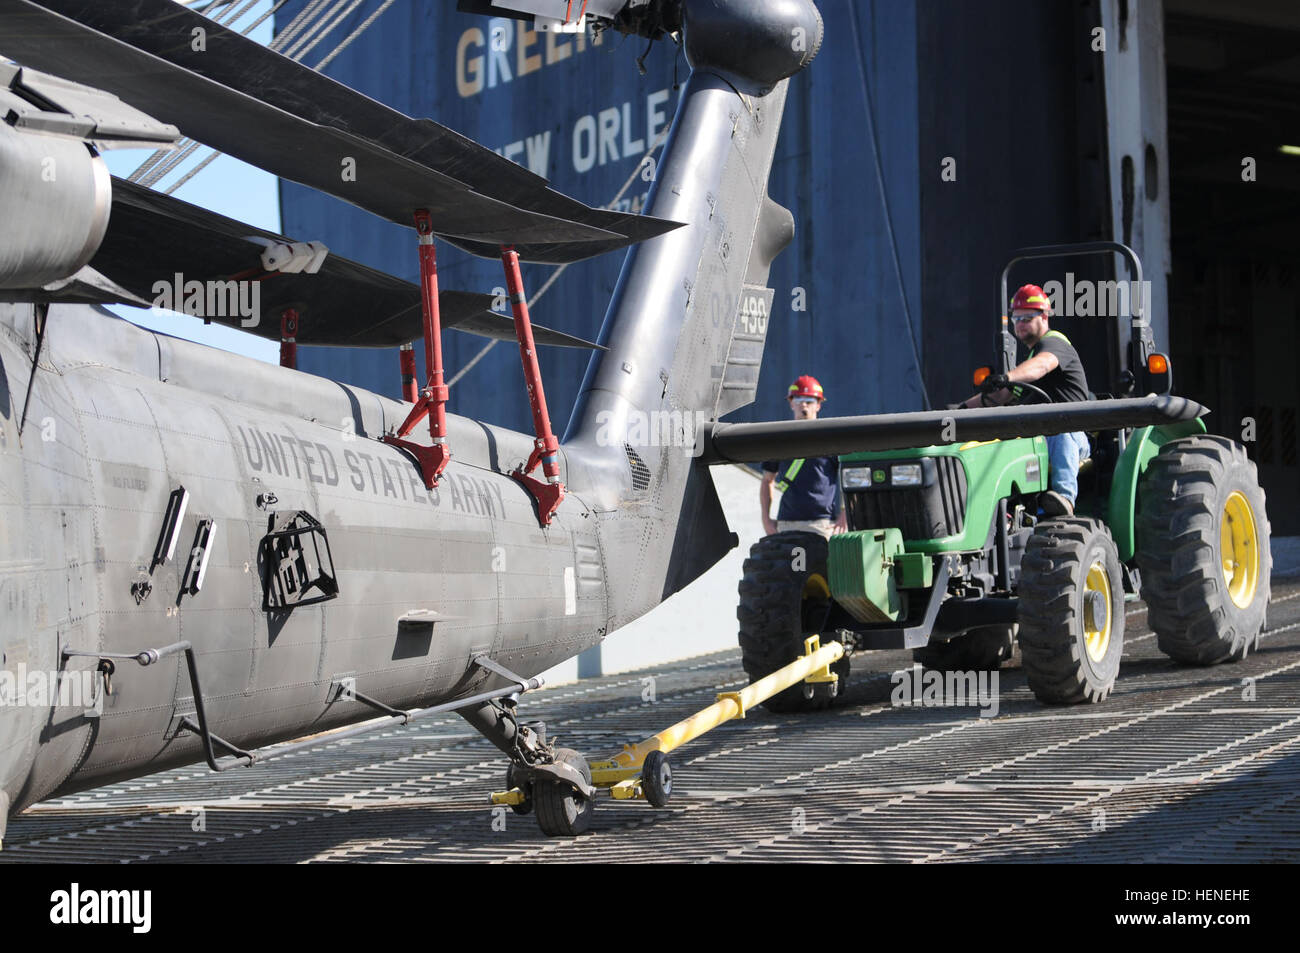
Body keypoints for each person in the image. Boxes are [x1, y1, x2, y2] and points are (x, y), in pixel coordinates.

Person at [960, 284, 1091, 516]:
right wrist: (961, 410)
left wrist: (1007, 376)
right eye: (1016, 319)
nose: (1019, 324)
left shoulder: (1055, 343)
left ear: (1044, 316)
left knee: (1061, 428)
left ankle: (1065, 499)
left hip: (1073, 434)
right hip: (1039, 436)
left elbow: (1042, 365)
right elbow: (1002, 395)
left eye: (1027, 318)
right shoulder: (1030, 358)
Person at [759, 375, 848, 538]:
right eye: (799, 399)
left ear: (819, 405)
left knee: (825, 564)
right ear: (791, 402)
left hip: (824, 525)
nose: (804, 404)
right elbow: (767, 480)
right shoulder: (779, 440)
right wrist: (765, 519)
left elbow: (848, 477)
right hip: (786, 524)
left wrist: (845, 515)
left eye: (810, 400)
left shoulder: (831, 440)